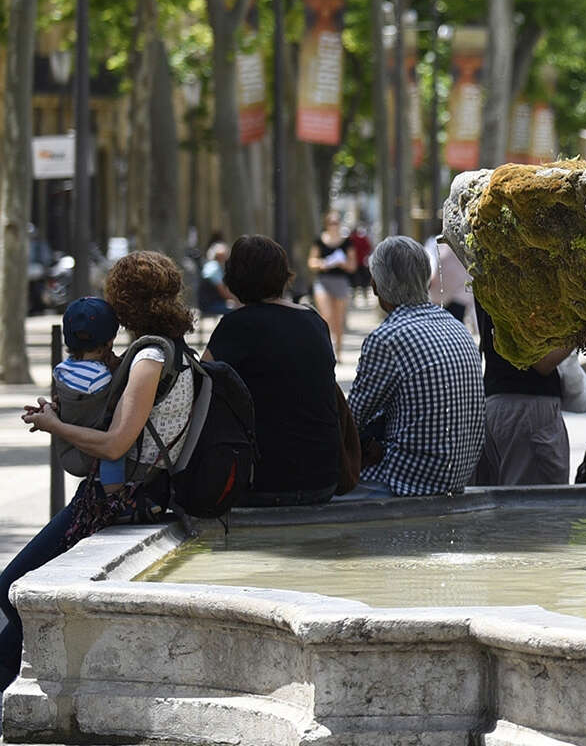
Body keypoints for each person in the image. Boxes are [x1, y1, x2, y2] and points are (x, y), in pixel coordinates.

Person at [5, 253, 196, 698]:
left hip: (115, 500)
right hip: (125, 493)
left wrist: (54, 426)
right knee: (19, 591)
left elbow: (114, 444)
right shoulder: (172, 347)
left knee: (11, 587)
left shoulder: (149, 355)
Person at [207, 235, 343, 507]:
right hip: (324, 479)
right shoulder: (314, 320)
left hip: (266, 481)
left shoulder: (237, 325)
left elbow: (199, 385)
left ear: (235, 277)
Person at [346, 237, 485, 497]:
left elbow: (351, 420)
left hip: (409, 481)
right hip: (458, 475)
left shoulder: (388, 338)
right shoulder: (457, 327)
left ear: (376, 286)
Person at [472, 296, 573, 486]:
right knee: (537, 508)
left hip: (495, 404)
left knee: (500, 507)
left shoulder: (487, 273)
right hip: (528, 411)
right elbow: (543, 362)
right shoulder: (519, 279)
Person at [53, 298, 125, 489]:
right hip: (92, 454)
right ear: (110, 339)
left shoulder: (61, 370)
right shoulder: (101, 377)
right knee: (116, 448)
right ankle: (114, 495)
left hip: (67, 451)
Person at [308, 212, 358, 358]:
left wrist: (343, 264)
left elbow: (353, 265)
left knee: (338, 318)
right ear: (326, 223)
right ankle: (327, 351)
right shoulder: (319, 240)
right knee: (326, 316)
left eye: (336, 222)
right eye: (331, 222)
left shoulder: (347, 242)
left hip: (340, 281)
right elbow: (311, 261)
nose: (334, 225)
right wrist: (321, 264)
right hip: (323, 281)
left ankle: (339, 350)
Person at [196, 241, 233, 317]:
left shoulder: (210, 266)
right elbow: (223, 292)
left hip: (207, 303)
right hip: (210, 305)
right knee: (238, 310)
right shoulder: (214, 268)